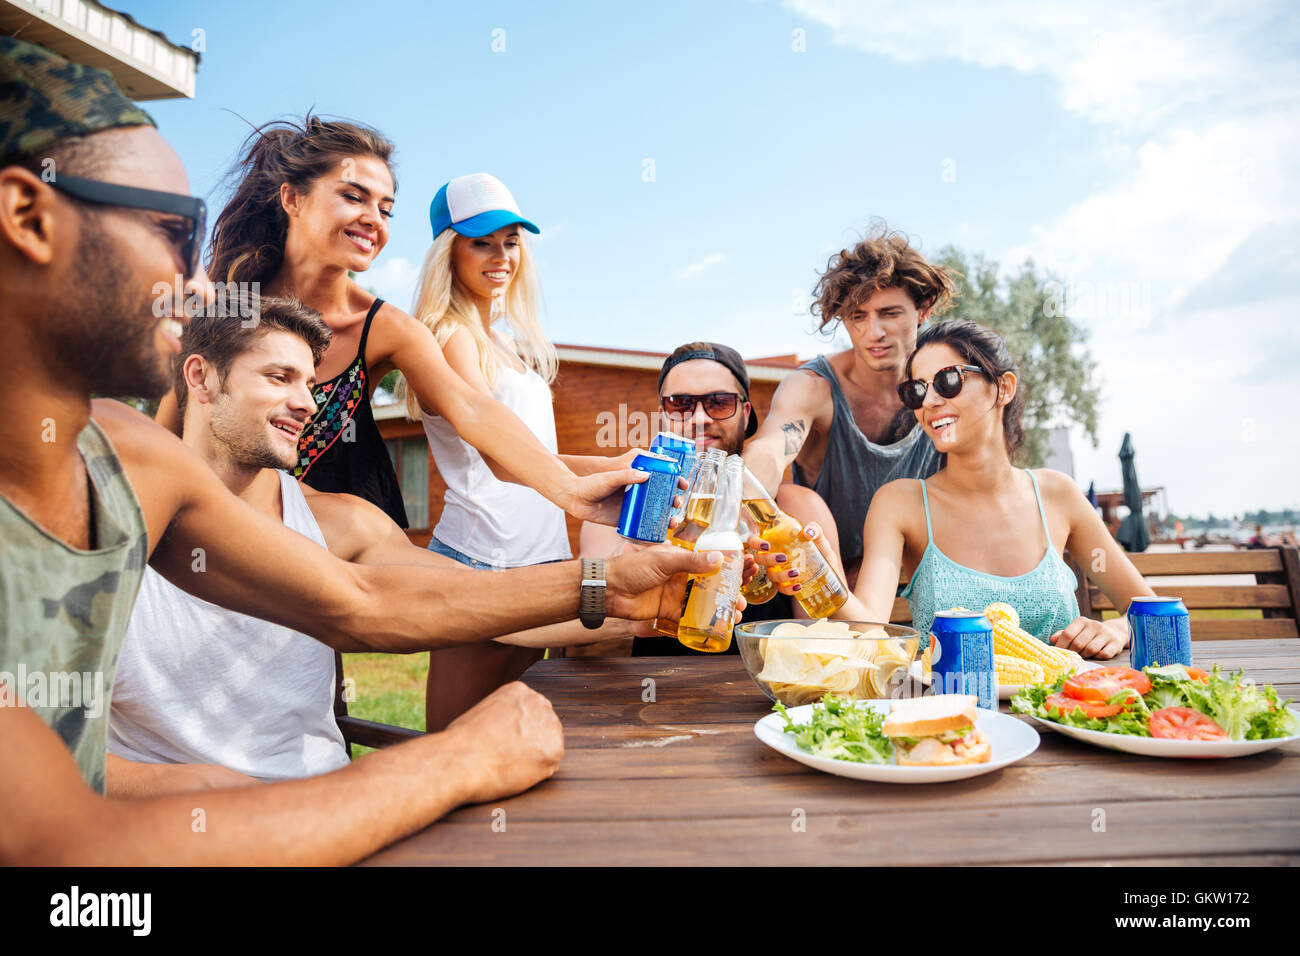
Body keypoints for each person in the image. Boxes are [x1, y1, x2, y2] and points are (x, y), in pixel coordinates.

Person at [0, 38, 729, 863]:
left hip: (315, 538)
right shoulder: (183, 394)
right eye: (170, 231)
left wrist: (605, 565)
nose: (196, 285)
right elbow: (57, 848)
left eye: (387, 205)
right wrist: (452, 761)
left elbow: (371, 587)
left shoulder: (158, 462)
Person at [108, 296, 666, 790]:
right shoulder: (109, 523)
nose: (307, 402)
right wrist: (201, 790)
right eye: (280, 377)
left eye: (309, 382)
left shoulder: (344, 526)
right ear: (201, 378)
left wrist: (644, 600)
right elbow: (40, 757)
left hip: (331, 810)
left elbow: (488, 603)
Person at [154, 115, 637, 530]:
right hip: (203, 534)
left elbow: (472, 407)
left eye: (385, 209)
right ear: (292, 199)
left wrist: (571, 490)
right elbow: (166, 436)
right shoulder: (226, 306)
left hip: (316, 551)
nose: (373, 219)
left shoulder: (387, 329)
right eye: (353, 197)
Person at [758, 320, 1155, 658]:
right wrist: (822, 571)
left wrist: (1120, 630)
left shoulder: (1057, 495)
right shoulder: (901, 504)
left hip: (1062, 721)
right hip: (955, 719)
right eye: (915, 390)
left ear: (1004, 388)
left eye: (948, 381)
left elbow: (1148, 609)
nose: (929, 401)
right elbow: (869, 632)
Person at [407, 174, 646, 728]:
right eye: (482, 241)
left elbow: (534, 453)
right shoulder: (448, 335)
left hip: (537, 560)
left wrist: (617, 464)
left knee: (511, 743)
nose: (501, 256)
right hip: (482, 562)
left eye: (512, 241)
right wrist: (605, 473)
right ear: (449, 250)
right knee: (455, 745)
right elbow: (498, 455)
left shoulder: (508, 341)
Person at [744, 224, 949, 588]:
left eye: (889, 313)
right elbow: (770, 450)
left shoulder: (946, 386)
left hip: (926, 572)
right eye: (858, 316)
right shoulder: (812, 387)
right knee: (794, 497)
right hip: (829, 579)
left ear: (923, 309)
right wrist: (739, 519)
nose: (874, 332)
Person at [581, 342, 802, 655]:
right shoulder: (623, 510)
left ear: (745, 412)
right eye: (681, 403)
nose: (699, 418)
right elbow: (587, 618)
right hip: (656, 697)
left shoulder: (793, 506)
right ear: (664, 415)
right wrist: (632, 602)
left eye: (720, 402)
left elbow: (822, 634)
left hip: (765, 700)